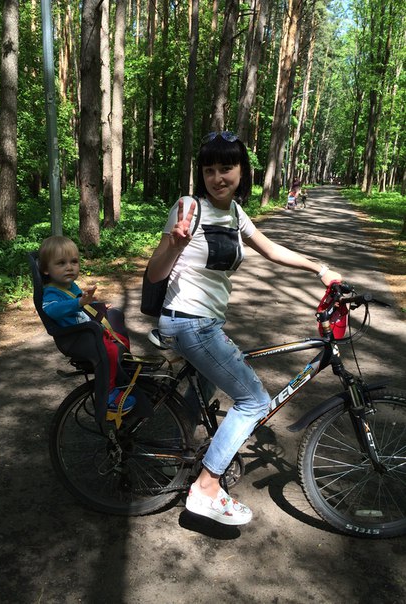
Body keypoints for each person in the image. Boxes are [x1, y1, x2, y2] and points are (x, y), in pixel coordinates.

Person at [146, 131, 342, 526]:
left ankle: (173, 455)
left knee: (203, 388)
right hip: (190, 322)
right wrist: (174, 245)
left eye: (226, 168)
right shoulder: (189, 208)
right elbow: (155, 273)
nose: (217, 177)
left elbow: (271, 250)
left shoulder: (235, 213)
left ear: (241, 172)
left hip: (205, 323)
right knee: (254, 401)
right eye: (209, 170)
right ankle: (205, 489)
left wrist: (319, 268)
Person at [38, 235, 135, 414]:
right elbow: (52, 310)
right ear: (46, 270)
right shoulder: (52, 292)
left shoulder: (70, 286)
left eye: (74, 262)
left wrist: (96, 306)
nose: (69, 267)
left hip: (87, 332)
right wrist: (79, 303)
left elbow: (82, 305)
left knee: (117, 324)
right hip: (76, 339)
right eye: (61, 263)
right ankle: (109, 394)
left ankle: (124, 370)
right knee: (110, 350)